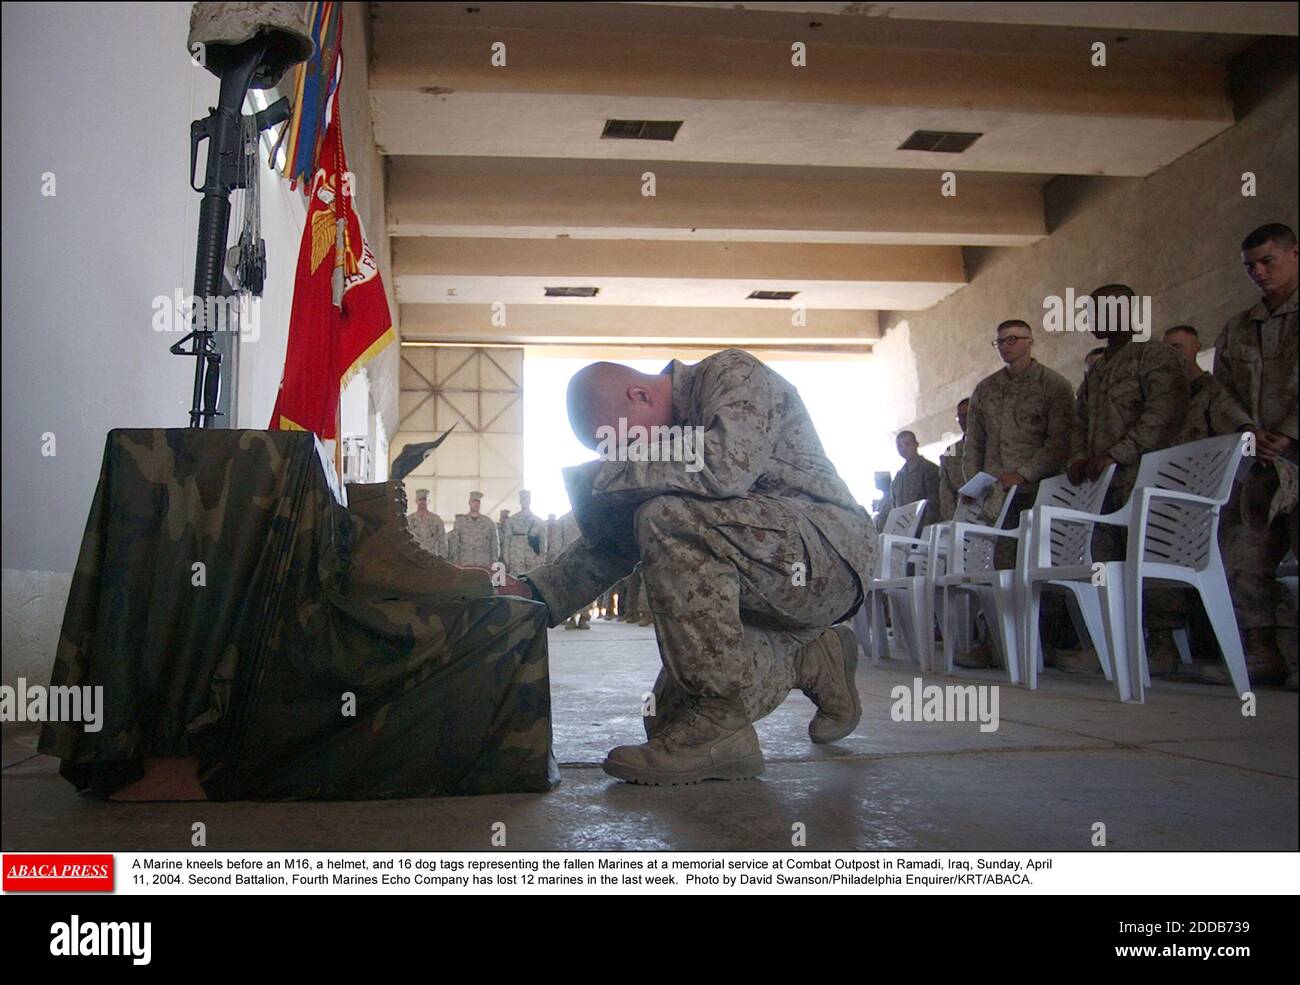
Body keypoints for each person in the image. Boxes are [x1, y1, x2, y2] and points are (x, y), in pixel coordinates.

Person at [498, 349, 875, 785]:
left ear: (639, 395)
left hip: (828, 555)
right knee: (666, 720)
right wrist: (536, 592)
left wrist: (602, 478)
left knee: (665, 515)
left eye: (622, 445)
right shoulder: (668, 448)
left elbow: (723, 465)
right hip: (772, 567)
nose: (626, 456)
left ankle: (720, 725)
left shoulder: (733, 375)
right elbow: (616, 544)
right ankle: (811, 656)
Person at [1068, 283, 1190, 675]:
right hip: (1102, 485)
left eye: (1104, 310)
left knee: (1149, 558)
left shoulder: (1155, 356)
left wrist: (1116, 454)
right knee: (1107, 562)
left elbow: (1162, 416)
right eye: (1092, 312)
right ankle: (1118, 645)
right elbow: (1080, 421)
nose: (1095, 319)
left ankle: (1161, 645)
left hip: (1145, 478)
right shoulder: (1099, 369)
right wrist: (1079, 457)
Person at [1210, 223, 1299, 688]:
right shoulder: (1238, 328)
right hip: (1257, 464)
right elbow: (1219, 391)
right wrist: (1247, 429)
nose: (1259, 273)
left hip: (1295, 453)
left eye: (1268, 261)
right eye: (1250, 267)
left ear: (1294, 253)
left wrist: (1287, 432)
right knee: (1244, 558)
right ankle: (1262, 654)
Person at [957, 318, 1074, 668]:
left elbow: (1060, 441)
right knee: (1001, 567)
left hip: (1039, 492)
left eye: (1013, 339)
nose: (1006, 346)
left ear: (1030, 341)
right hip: (996, 497)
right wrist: (973, 484)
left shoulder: (1053, 385)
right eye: (1000, 342)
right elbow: (974, 443)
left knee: (1042, 568)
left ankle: (1046, 646)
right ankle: (1000, 643)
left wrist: (1024, 473)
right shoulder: (986, 389)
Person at [1144, 325, 1255, 675]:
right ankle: (1163, 646)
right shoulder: (1163, 403)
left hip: (1212, 505)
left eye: (1179, 347)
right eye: (1168, 350)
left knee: (1234, 573)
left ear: (1196, 347)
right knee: (1155, 567)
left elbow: (1241, 439)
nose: (1174, 355)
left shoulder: (1212, 394)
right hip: (1170, 505)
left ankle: (1243, 652)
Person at [887, 431, 941, 528]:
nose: (904, 449)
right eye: (900, 446)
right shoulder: (898, 478)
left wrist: (921, 528)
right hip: (904, 530)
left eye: (907, 444)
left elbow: (935, 503)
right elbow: (895, 508)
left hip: (925, 528)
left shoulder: (929, 470)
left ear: (916, 445)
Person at [449, 491, 500, 569]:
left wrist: (494, 561)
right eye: (474, 501)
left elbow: (494, 544)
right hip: (465, 563)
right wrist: (455, 560)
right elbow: (454, 543)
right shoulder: (460, 522)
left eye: (478, 501)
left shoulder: (488, 522)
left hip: (484, 564)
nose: (476, 504)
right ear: (469, 503)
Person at [937, 399, 969, 523]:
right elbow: (945, 489)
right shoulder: (952, 451)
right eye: (960, 416)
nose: (963, 420)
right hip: (960, 515)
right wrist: (951, 520)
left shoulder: (991, 445)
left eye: (967, 415)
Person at [502, 490, 547, 575]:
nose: (525, 501)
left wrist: (541, 560)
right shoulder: (511, 521)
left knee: (532, 585)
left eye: (527, 499)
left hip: (533, 561)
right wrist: (507, 560)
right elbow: (506, 542)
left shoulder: (539, 522)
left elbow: (543, 543)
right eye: (523, 499)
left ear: (530, 501)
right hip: (516, 561)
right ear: (520, 501)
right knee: (517, 586)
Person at [406, 488, 447, 558]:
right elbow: (405, 539)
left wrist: (442, 557)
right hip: (414, 557)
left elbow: (442, 540)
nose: (422, 502)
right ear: (416, 501)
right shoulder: (409, 520)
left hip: (431, 556)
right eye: (420, 499)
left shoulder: (436, 519)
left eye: (424, 499)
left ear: (428, 501)